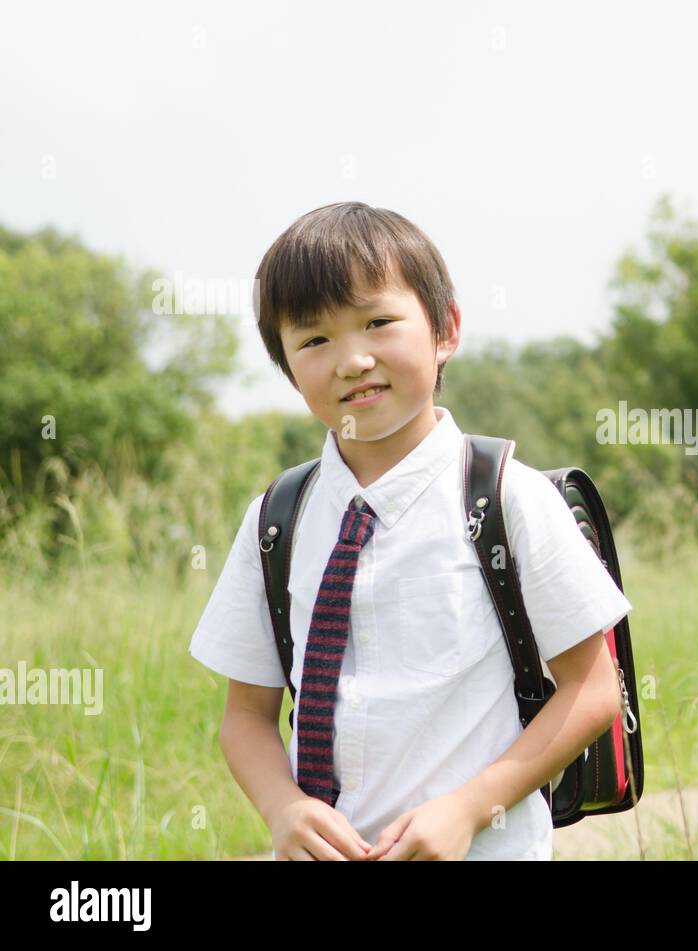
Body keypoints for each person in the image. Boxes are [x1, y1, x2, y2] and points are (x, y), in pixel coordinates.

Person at [188, 201, 633, 860]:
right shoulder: (276, 520)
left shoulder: (507, 497)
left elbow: (595, 689)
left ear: (445, 328)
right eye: (314, 339)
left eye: (378, 321)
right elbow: (246, 716)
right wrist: (284, 807)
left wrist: (467, 809)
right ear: (285, 364)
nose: (352, 359)